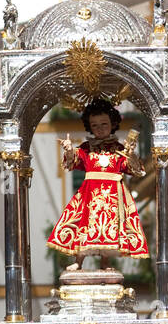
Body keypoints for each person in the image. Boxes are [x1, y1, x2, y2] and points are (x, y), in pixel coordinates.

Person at [48, 97, 148, 269]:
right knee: (84, 226)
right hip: (90, 196)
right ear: (89, 127)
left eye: (104, 124)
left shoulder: (119, 149)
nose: (100, 129)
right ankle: (78, 262)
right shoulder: (86, 148)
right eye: (95, 125)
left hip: (113, 197)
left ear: (112, 124)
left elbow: (134, 170)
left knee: (111, 228)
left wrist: (131, 155)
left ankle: (105, 261)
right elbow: (74, 161)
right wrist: (69, 150)